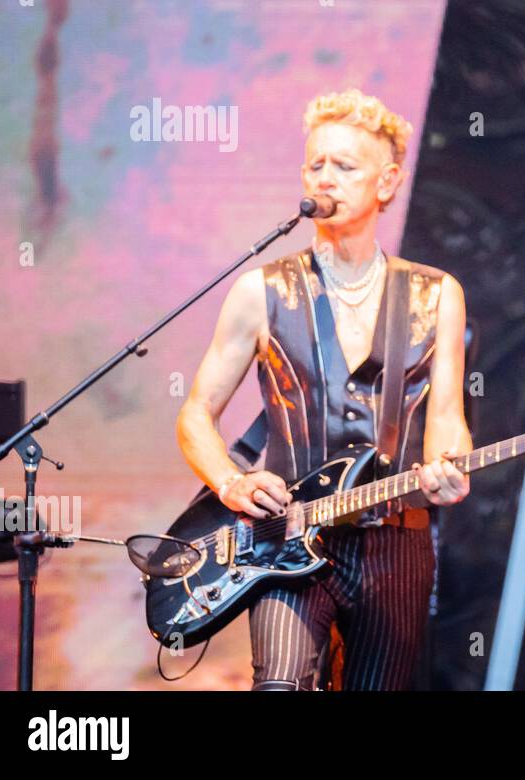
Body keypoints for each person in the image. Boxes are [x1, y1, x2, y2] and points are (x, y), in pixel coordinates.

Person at [176, 88, 471, 690]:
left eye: (344, 166)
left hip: (396, 544)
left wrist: (451, 464)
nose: (326, 178)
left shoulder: (437, 294)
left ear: (386, 183)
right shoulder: (261, 291)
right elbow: (196, 412)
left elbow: (446, 416)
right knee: (279, 684)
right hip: (285, 540)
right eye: (316, 164)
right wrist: (231, 484)